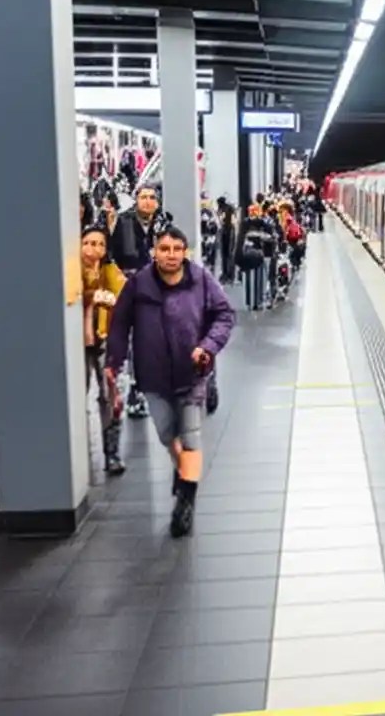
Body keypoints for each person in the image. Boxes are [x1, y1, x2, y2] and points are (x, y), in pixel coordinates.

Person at [105, 225, 235, 537]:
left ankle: (185, 503)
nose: (172, 255)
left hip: (193, 375)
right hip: (152, 376)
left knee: (190, 436)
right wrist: (114, 361)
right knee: (166, 434)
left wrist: (207, 347)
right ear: (153, 252)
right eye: (165, 249)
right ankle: (183, 471)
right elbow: (120, 325)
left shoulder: (201, 279)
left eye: (178, 249)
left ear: (186, 252)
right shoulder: (138, 285)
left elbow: (224, 315)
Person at [110, 185, 165, 419]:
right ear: (136, 200)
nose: (148, 202)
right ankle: (134, 389)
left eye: (152, 198)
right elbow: (113, 255)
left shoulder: (163, 224)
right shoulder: (123, 223)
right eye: (143, 197)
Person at [80, 225, 127, 475]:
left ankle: (112, 453)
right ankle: (80, 453)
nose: (93, 249)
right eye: (87, 243)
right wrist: (91, 296)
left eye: (99, 243)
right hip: (77, 342)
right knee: (78, 396)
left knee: (110, 396)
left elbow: (124, 295)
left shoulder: (109, 270)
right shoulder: (72, 270)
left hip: (104, 339)